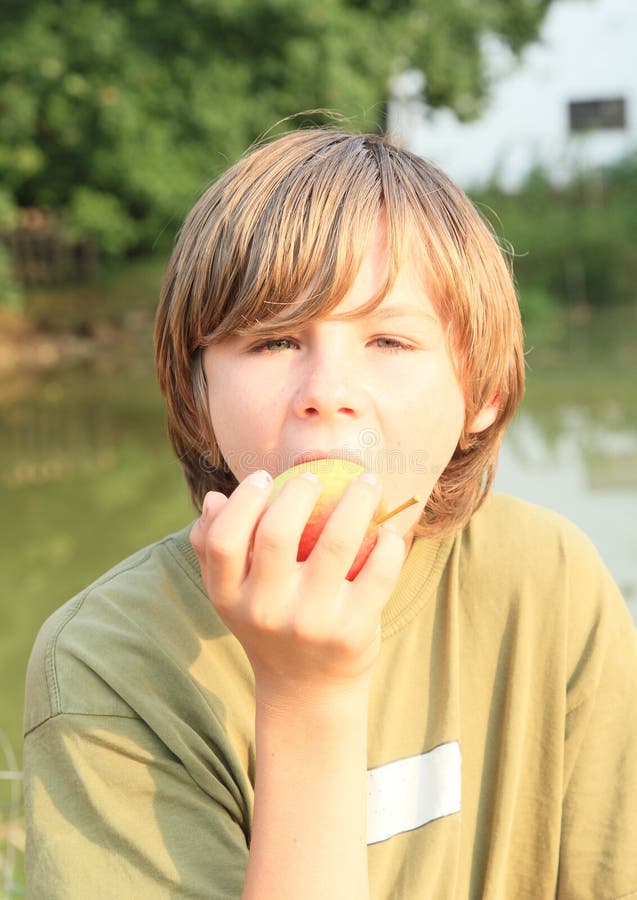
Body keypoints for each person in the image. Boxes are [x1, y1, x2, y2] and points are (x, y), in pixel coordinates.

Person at [23, 128, 637, 899]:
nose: (328, 388)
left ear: (480, 394)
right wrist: (306, 695)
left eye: (387, 339)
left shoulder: (547, 578)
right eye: (276, 341)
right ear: (198, 399)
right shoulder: (108, 660)